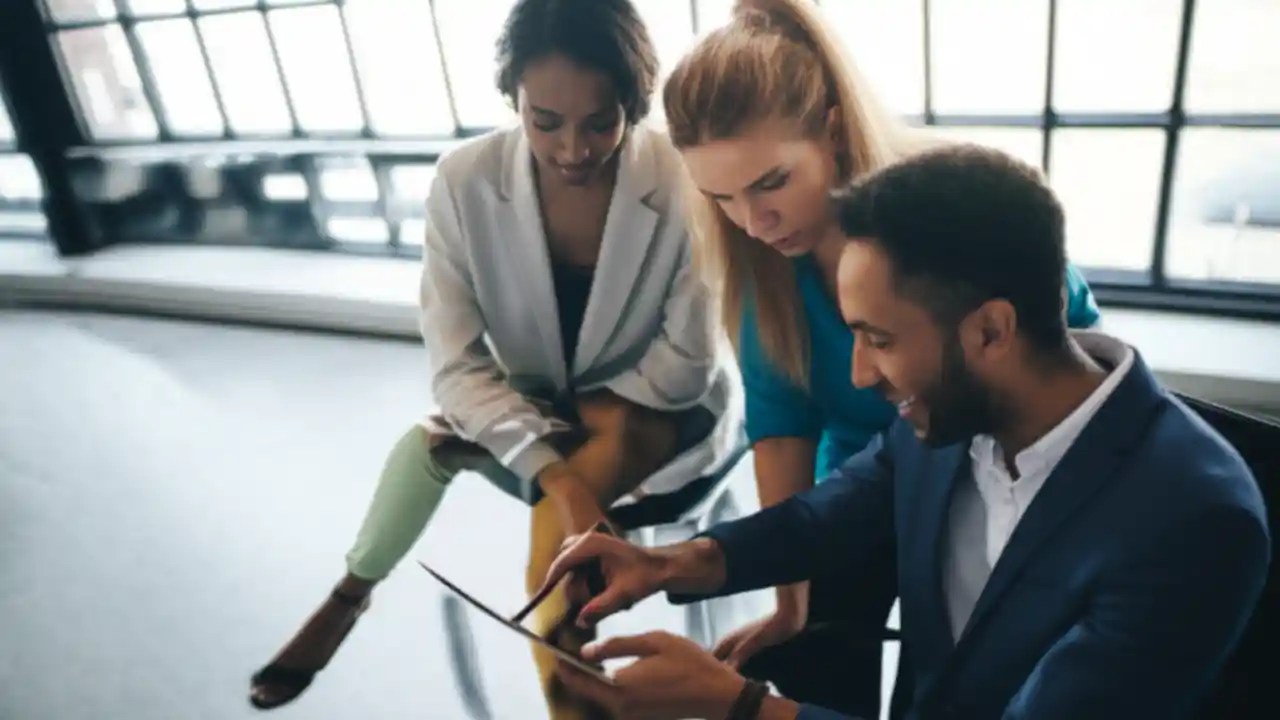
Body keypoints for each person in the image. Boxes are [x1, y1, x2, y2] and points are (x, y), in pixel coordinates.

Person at [539, 145, 1270, 720]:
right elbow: (830, 514)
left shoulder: (1197, 523)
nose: (860, 375)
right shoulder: (951, 412)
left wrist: (740, 706)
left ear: (990, 329)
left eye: (879, 339)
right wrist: (670, 565)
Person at [247, 0, 736, 714]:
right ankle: (346, 599)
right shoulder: (464, 181)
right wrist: (558, 473)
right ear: (513, 98)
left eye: (601, 122)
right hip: (545, 412)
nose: (574, 149)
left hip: (661, 409)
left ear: (633, 102)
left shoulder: (680, 176)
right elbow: (457, 365)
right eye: (546, 122)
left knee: (556, 564)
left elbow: (688, 357)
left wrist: (575, 441)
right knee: (428, 442)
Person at [659, 0, 1099, 714]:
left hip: (990, 470)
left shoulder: (952, 203)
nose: (752, 221)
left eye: (771, 183)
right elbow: (781, 433)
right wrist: (789, 602)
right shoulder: (759, 264)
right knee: (811, 655)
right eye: (723, 198)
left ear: (831, 128)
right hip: (859, 488)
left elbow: (1068, 346)